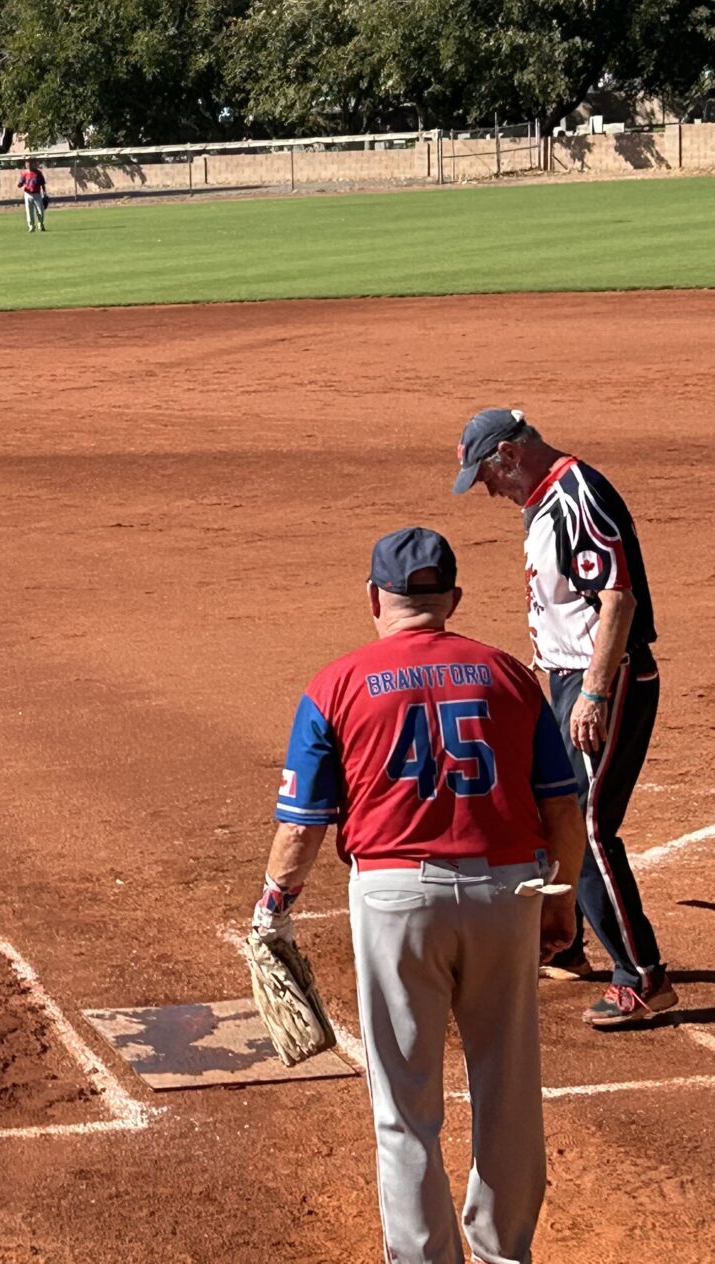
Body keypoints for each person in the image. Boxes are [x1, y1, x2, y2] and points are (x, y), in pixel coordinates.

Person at [252, 527, 584, 1264]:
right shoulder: (508, 676)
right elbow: (564, 807)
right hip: (508, 892)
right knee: (508, 1089)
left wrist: (271, 909)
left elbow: (301, 827)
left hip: (396, 899)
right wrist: (560, 901)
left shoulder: (336, 685)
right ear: (452, 599)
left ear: (376, 598)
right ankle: (505, 1254)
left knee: (404, 1105)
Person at [452, 407, 676, 1025]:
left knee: (589, 825)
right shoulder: (545, 500)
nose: (489, 491)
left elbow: (618, 597)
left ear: (508, 454)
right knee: (552, 806)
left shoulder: (579, 495)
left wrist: (595, 692)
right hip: (568, 676)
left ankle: (643, 977)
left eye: (486, 477)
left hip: (607, 676)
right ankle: (566, 940)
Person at [16, 161, 47, 232]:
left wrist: (44, 193)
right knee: (29, 212)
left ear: (33, 164)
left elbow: (42, 184)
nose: (29, 165)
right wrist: (20, 185)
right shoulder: (24, 173)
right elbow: (20, 184)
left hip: (37, 194)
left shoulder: (38, 173)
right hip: (28, 194)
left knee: (40, 211)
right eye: (27, 163)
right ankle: (31, 227)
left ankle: (40, 224)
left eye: (30, 163)